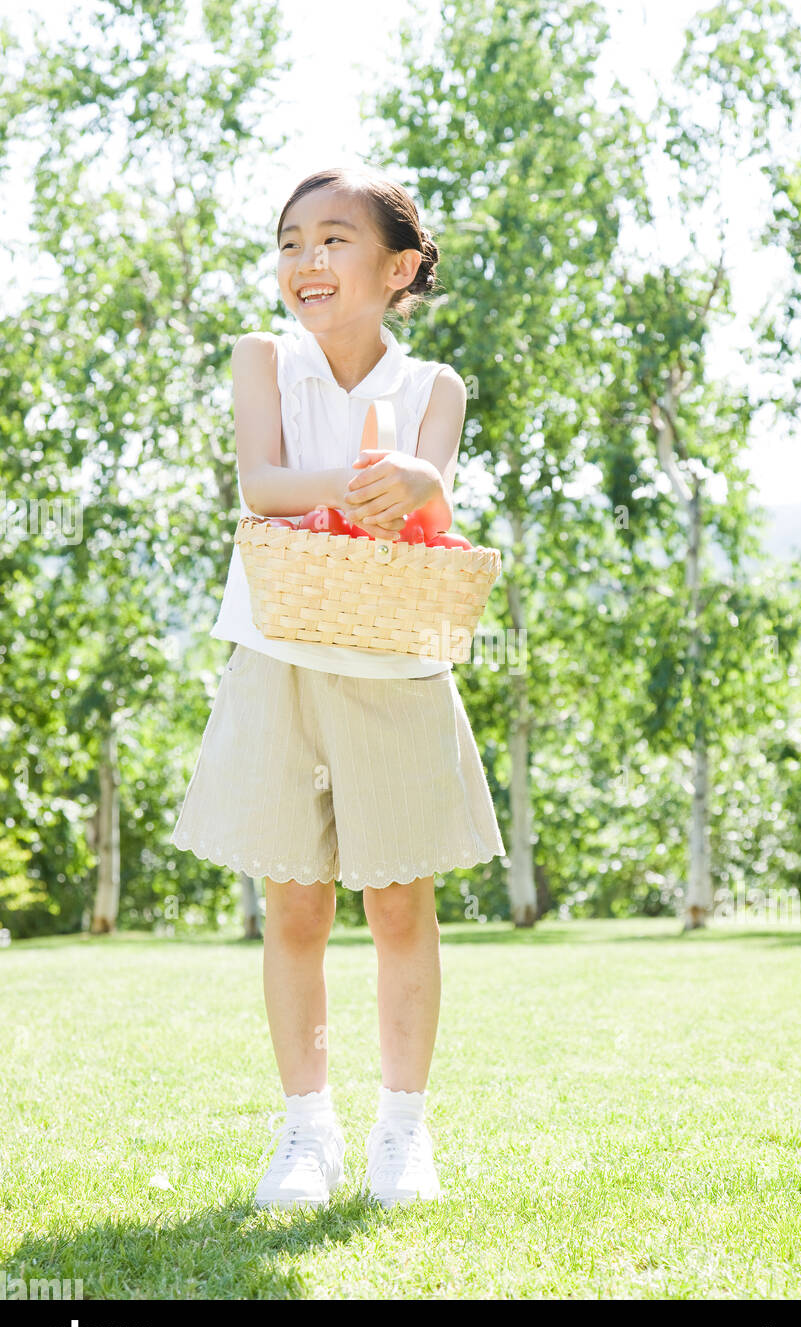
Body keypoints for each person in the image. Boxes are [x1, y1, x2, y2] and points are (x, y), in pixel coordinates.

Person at [170, 166, 506, 1211]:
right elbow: (263, 486)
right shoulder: (263, 358)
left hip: (395, 669)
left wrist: (426, 483)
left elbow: (429, 518)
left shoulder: (435, 389)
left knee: (402, 902)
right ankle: (304, 1130)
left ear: (398, 267)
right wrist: (368, 487)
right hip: (279, 658)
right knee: (294, 904)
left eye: (332, 241)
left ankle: (402, 1130)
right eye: (289, 243)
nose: (305, 261)